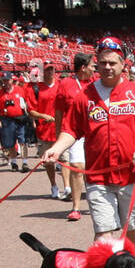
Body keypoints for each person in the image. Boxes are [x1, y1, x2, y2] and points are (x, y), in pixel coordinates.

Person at [40, 38, 135, 255]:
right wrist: (56, 148)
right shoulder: (85, 96)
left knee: (133, 228)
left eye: (112, 63)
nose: (107, 67)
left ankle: (133, 266)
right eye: (102, 63)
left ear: (123, 64)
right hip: (97, 178)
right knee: (104, 233)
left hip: (131, 177)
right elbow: (70, 129)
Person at [55, 52, 95, 220]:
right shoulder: (66, 84)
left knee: (93, 171)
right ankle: (76, 207)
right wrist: (59, 136)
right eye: (92, 66)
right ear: (83, 68)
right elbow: (58, 110)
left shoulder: (96, 83)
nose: (95, 69)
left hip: (94, 131)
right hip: (74, 133)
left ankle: (96, 205)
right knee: (77, 167)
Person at [28, 65, 63, 198]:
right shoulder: (37, 88)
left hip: (61, 129)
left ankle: (67, 187)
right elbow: (30, 110)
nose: (50, 71)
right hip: (44, 130)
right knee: (49, 163)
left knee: (66, 161)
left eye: (52, 69)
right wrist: (43, 116)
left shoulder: (61, 85)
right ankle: (54, 186)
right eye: (47, 69)